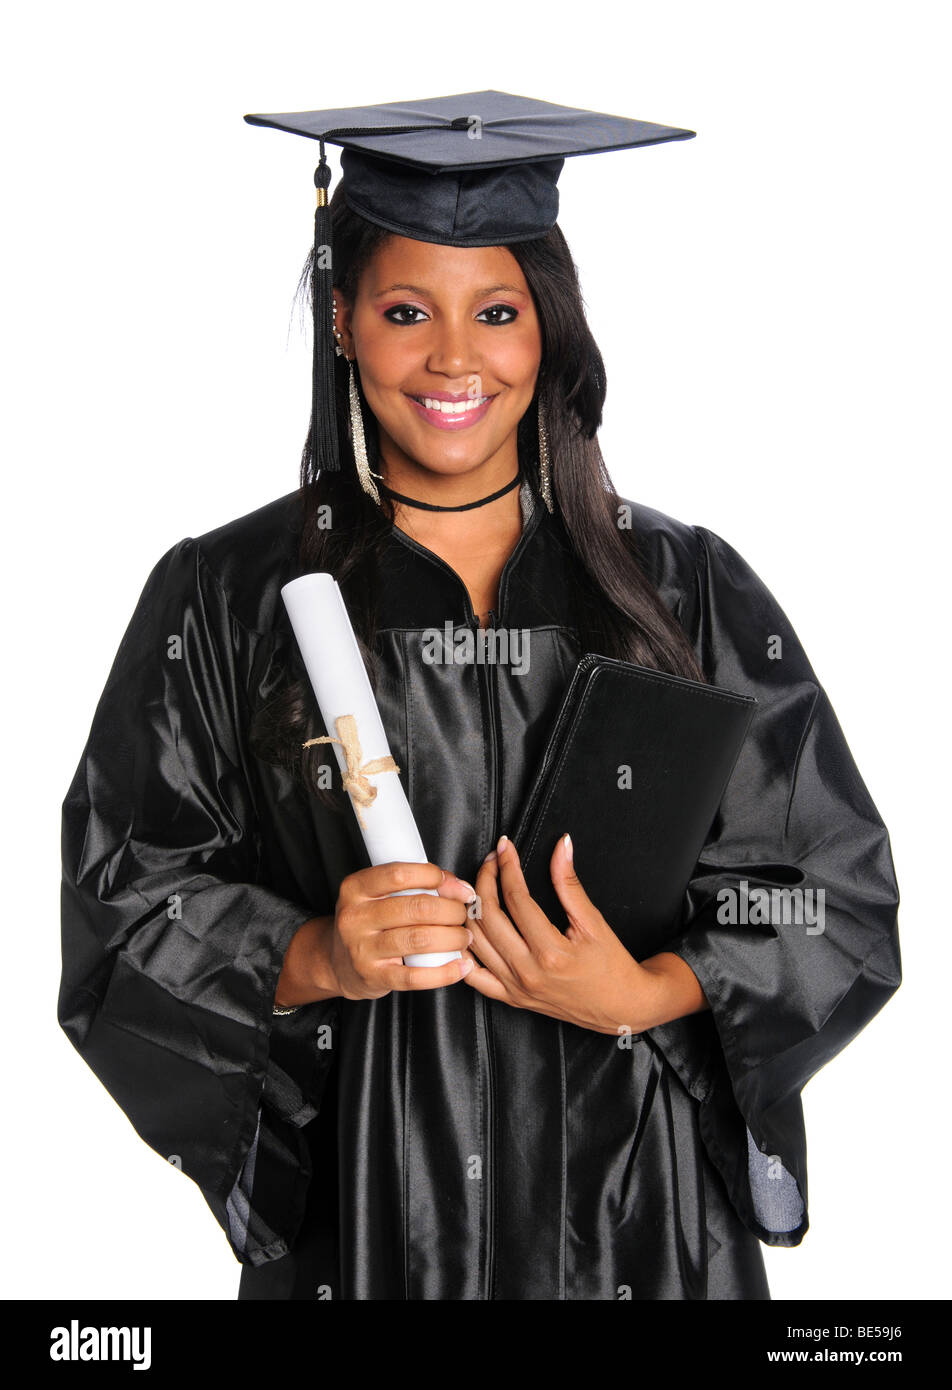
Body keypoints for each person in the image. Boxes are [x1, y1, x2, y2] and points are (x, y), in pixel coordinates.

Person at [58, 92, 901, 1301]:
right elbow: (123, 896)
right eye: (407, 311)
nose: (455, 359)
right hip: (369, 1225)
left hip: (639, 1229)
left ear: (547, 332)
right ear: (342, 319)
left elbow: (831, 896)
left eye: (497, 312)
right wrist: (310, 952)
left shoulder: (683, 587)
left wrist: (649, 989)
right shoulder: (231, 596)